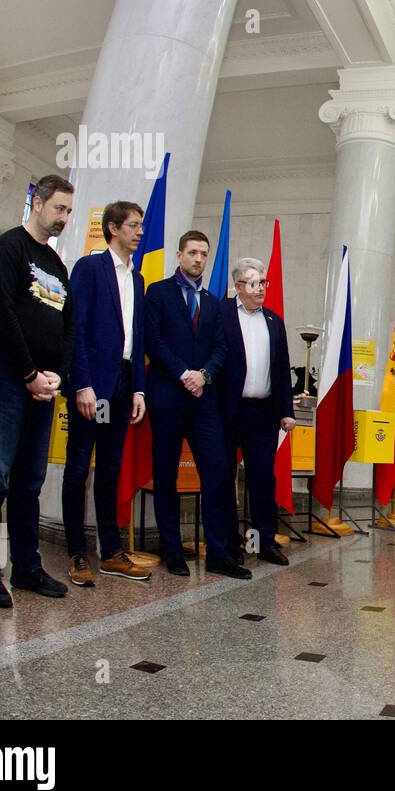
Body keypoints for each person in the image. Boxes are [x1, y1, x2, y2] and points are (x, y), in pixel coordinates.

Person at [0, 174, 75, 608]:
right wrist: (30, 372)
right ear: (38, 202)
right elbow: (0, 315)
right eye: (59, 209)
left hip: (42, 386)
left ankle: (28, 568)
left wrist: (56, 377)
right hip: (5, 376)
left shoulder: (57, 265)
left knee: (30, 480)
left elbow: (68, 329)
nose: (64, 218)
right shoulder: (8, 248)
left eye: (69, 211)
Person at [144, 231, 247, 580]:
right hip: (168, 399)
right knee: (166, 475)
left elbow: (221, 348)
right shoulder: (157, 292)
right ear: (179, 255)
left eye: (204, 253)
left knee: (217, 472)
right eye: (192, 252)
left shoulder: (215, 303)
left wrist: (203, 375)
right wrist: (183, 373)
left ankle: (218, 552)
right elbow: (153, 342)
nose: (198, 259)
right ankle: (171, 550)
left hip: (204, 401)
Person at [62, 200, 151, 586]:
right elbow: (75, 329)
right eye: (133, 225)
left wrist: (139, 391)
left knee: (111, 469)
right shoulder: (90, 268)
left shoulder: (138, 278)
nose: (139, 232)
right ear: (113, 228)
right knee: (80, 466)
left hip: (124, 383)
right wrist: (82, 383)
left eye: (141, 226)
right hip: (92, 387)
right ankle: (76, 553)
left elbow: (139, 336)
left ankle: (111, 552)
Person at [218, 258, 296, 567]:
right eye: (254, 282)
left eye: (263, 282)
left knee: (263, 478)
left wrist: (286, 410)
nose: (261, 287)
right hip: (228, 411)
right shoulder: (220, 314)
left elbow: (282, 368)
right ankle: (228, 542)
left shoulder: (274, 322)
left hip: (263, 413)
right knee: (224, 477)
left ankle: (265, 541)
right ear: (238, 287)